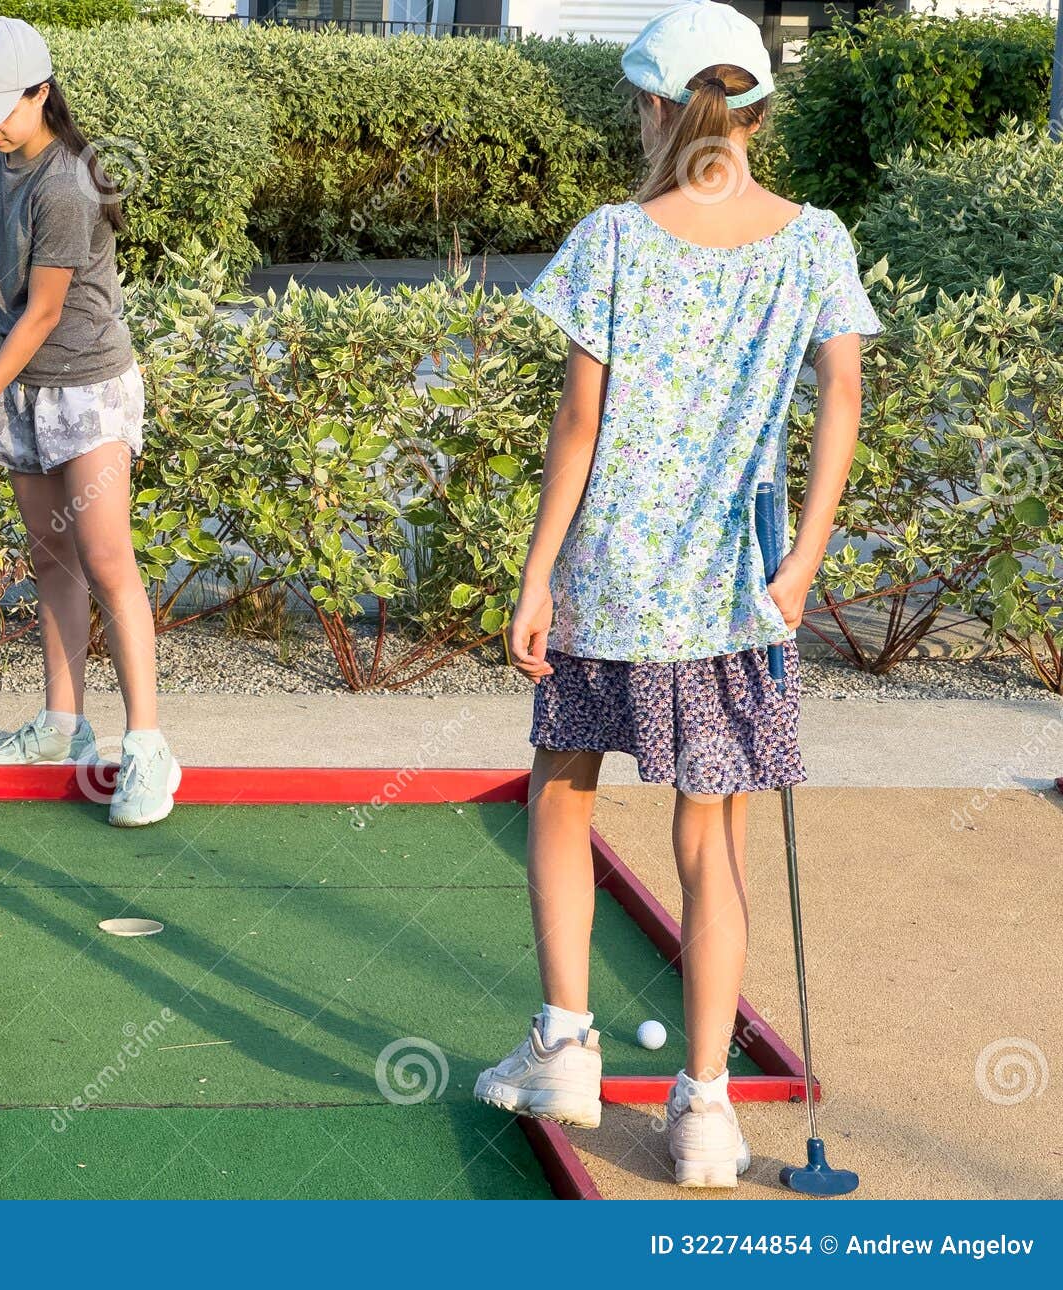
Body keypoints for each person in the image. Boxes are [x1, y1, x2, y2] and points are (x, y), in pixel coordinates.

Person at [472, 0, 880, 1188]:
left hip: (609, 581)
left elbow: (581, 423)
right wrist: (801, 564)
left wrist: (537, 572)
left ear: (655, 108)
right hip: (735, 594)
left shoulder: (612, 236)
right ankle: (703, 1112)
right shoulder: (815, 239)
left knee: (561, 798)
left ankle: (563, 1045)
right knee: (711, 839)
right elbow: (841, 400)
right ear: (756, 108)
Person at [0, 18, 179, 827]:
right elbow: (1, 278)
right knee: (52, 559)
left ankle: (147, 748)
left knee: (108, 561)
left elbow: (41, 313)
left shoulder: (70, 183)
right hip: (22, 382)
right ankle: (62, 728)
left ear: (41, 92)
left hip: (86, 387)